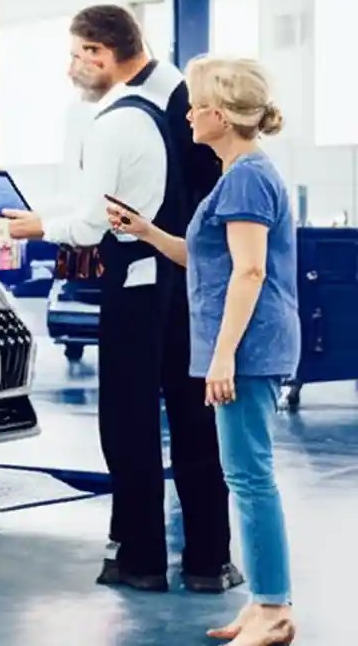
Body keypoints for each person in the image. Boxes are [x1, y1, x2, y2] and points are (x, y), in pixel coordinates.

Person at [0, 5, 239, 592]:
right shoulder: (185, 99)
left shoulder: (117, 121)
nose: (72, 68)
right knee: (198, 425)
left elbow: (92, 223)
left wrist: (32, 228)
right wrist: (50, 215)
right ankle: (210, 562)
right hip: (194, 283)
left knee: (127, 428)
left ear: (100, 54)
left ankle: (140, 561)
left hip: (136, 287)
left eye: (77, 54)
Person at [107, 55, 297, 645]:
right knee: (244, 474)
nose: (185, 116)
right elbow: (207, 259)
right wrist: (147, 233)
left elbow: (249, 272)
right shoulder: (236, 174)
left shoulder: (245, 178)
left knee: (250, 476)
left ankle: (273, 610)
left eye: (193, 106)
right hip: (242, 345)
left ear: (217, 114)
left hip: (247, 349)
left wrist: (221, 357)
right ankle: (264, 603)